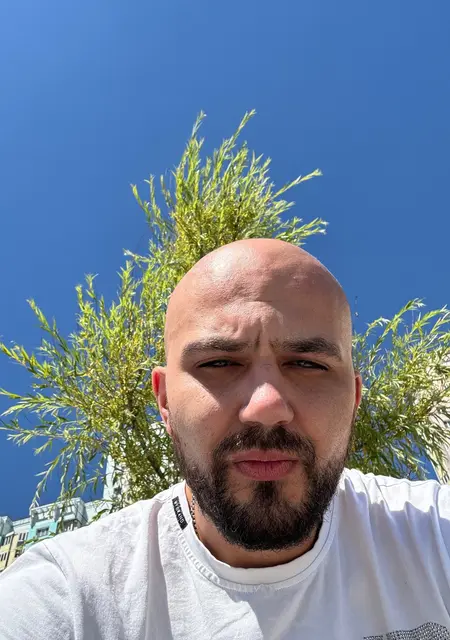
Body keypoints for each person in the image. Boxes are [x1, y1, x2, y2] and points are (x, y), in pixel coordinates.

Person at [1, 238, 450, 640]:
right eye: (219, 363)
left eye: (308, 364)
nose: (267, 406)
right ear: (164, 401)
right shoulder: (69, 596)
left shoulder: (433, 532)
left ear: (353, 399)